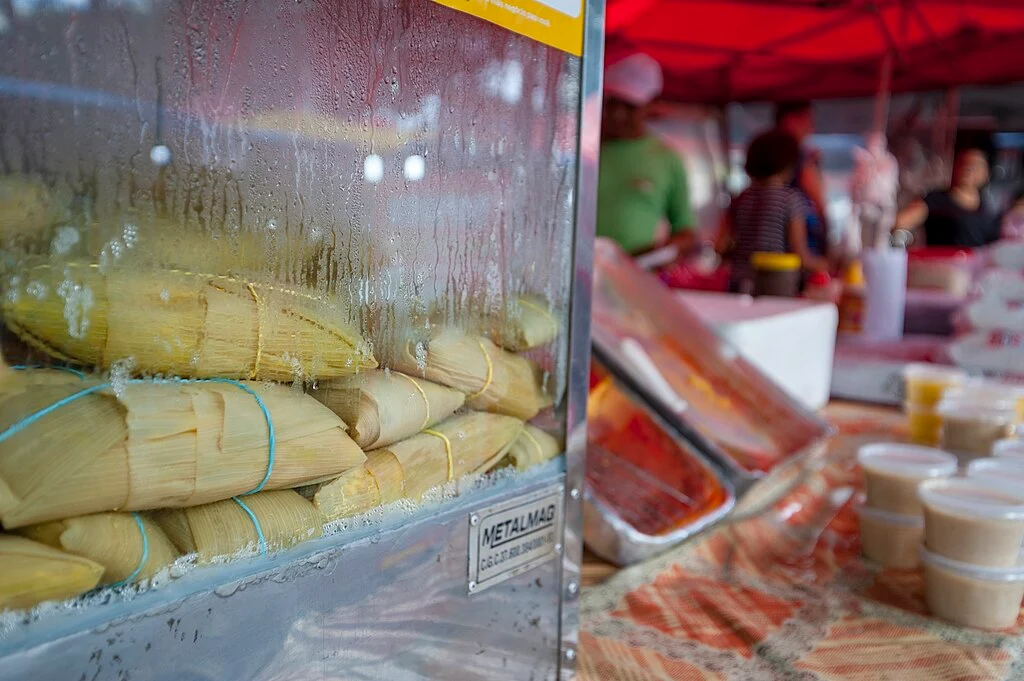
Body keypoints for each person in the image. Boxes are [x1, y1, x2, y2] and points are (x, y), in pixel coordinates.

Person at [596, 53, 696, 256]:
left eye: (630, 106)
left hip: (633, 276)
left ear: (651, 105)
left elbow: (686, 232)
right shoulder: (582, 149)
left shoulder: (666, 159)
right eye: (612, 103)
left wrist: (660, 253)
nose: (618, 113)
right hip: (574, 273)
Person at [716, 130, 829, 293]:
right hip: (775, 284)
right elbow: (801, 255)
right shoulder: (791, 200)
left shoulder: (739, 199)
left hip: (737, 284)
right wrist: (824, 264)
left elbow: (721, 246)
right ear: (789, 165)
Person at [895, 146, 1000, 247]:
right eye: (964, 163)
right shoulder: (936, 199)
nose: (968, 169)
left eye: (975, 165)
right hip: (942, 262)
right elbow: (902, 221)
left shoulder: (987, 209)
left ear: (986, 174)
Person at [775, 101, 829, 259]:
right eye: (807, 120)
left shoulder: (770, 154)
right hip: (801, 248)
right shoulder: (801, 159)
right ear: (789, 120)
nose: (811, 127)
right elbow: (817, 198)